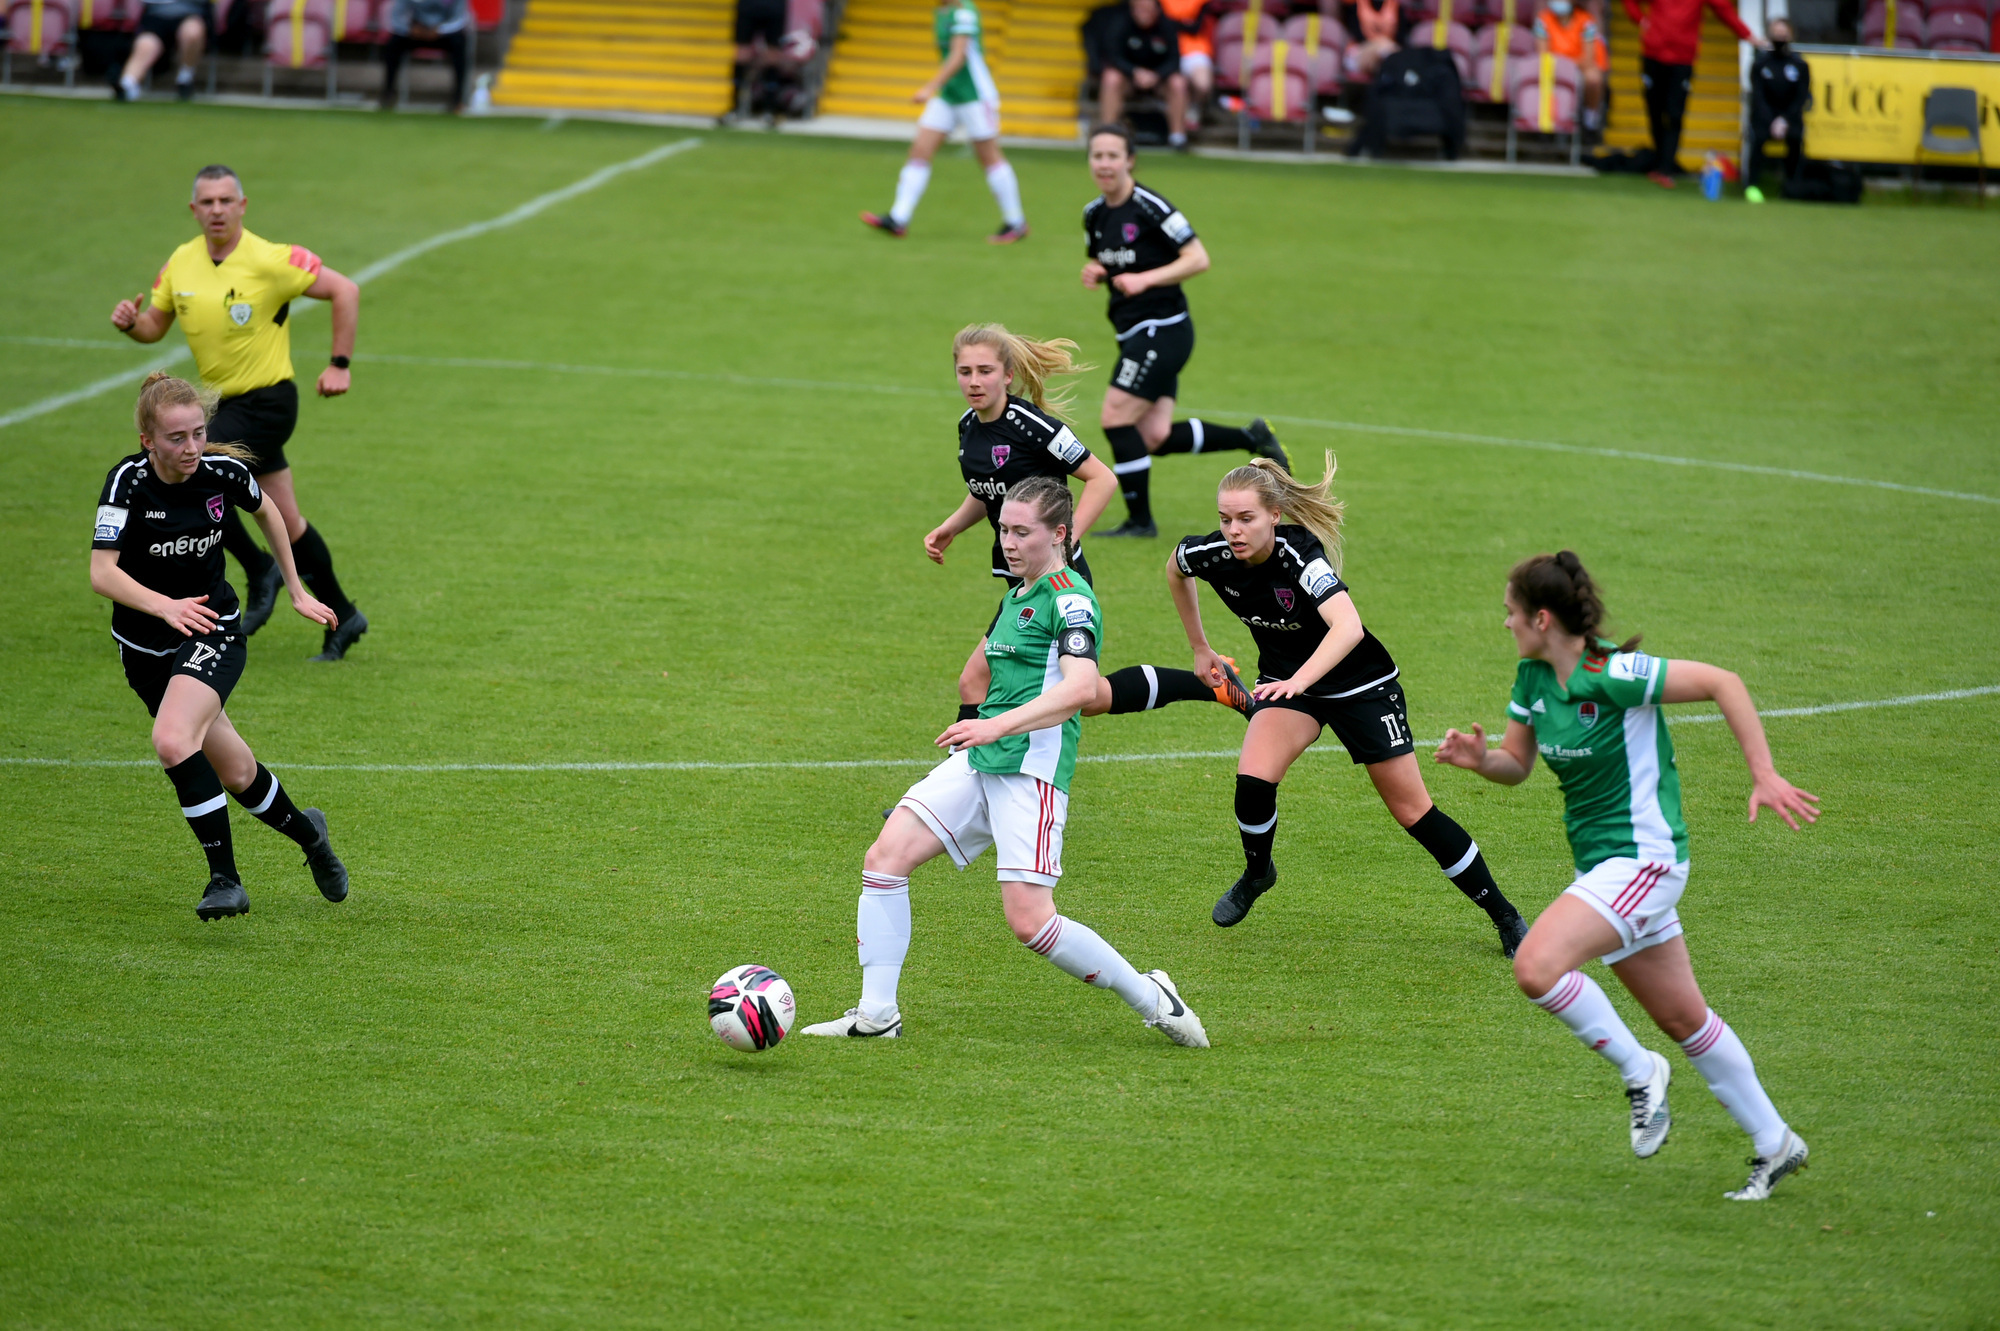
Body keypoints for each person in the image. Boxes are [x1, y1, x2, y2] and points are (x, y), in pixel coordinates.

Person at [1434, 551, 1817, 1200]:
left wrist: (1765, 773)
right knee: (1684, 1018)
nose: (1505, 624)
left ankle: (1641, 1071)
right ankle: (1775, 1140)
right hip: (1607, 869)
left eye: (1511, 613)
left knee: (1534, 966)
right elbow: (1517, 764)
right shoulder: (1532, 679)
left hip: (1646, 860)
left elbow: (1725, 681)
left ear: (1543, 617)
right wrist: (1481, 761)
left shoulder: (1614, 672)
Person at [803, 477, 1211, 1046]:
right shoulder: (1017, 593)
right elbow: (982, 676)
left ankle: (1152, 997)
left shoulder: (1070, 599)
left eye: (1022, 532)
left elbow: (1080, 689)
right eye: (1003, 530)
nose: (1009, 543)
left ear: (1060, 534)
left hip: (1032, 772)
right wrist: (983, 728)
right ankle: (877, 1014)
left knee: (1030, 922)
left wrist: (992, 724)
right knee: (885, 857)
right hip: (981, 760)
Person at [1170, 455, 1530, 953]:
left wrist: (1298, 680)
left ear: (1276, 515)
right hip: (1288, 685)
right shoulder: (1211, 553)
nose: (1233, 530)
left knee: (1413, 812)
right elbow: (1175, 567)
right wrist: (1199, 647)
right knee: (1253, 780)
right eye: (1225, 519)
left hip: (1360, 684)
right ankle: (1258, 874)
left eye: (1246, 519)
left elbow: (1348, 627)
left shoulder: (1301, 559)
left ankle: (1506, 916)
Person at [92, 373, 352, 921]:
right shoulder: (126, 484)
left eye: (198, 433)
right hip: (144, 647)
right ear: (147, 440)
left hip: (214, 630)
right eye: (176, 438)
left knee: (170, 739)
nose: (191, 449)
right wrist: (163, 605)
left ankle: (225, 881)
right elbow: (102, 573)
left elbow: (268, 511)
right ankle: (313, 840)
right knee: (234, 771)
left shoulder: (222, 472)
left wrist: (297, 590)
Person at [931, 324, 1255, 731]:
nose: (974, 382)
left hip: (1058, 579)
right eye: (965, 372)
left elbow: (1103, 478)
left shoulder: (1034, 426)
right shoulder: (968, 426)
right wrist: (951, 528)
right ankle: (1210, 683)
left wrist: (1064, 544)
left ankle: (949, 788)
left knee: (987, 683)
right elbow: (989, 491)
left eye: (985, 370)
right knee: (1067, 695)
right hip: (1021, 576)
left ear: (1008, 375)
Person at [111, 164, 369, 661]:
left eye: (226, 201)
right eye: (207, 202)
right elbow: (153, 328)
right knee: (287, 522)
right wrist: (131, 323)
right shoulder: (180, 263)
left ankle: (258, 569)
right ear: (194, 210)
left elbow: (346, 290)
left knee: (194, 468)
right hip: (221, 404)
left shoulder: (271, 259)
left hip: (268, 400)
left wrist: (339, 364)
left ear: (243, 205)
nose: (216, 210)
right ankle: (343, 614)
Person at [1081, 124, 1289, 540]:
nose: (1104, 164)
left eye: (1112, 155)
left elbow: (1198, 258)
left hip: (1163, 329)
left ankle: (1140, 522)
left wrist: (1145, 279)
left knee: (1115, 417)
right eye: (1097, 156)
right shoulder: (1094, 214)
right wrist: (1101, 272)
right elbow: (1115, 262)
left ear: (1130, 160)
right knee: (1154, 436)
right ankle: (1253, 437)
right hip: (1134, 332)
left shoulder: (1151, 206)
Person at [862, 0, 1029, 243]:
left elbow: (958, 55)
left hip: (975, 95)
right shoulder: (942, 12)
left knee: (989, 157)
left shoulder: (964, 13)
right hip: (950, 95)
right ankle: (899, 219)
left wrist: (929, 87)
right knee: (920, 150)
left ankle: (1016, 222)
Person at [1621, 0, 1757, 186]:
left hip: (1682, 59)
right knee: (1654, 110)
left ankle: (1666, 169)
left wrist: (1747, 35)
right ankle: (1662, 160)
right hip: (1653, 54)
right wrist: (1640, 19)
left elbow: (1723, 9)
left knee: (1675, 114)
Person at [1099, 0, 1192, 151]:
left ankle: (1178, 137)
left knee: (1178, 82)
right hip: (1129, 78)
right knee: (1111, 77)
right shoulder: (1121, 23)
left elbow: (1175, 60)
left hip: (1159, 79)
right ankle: (1108, 133)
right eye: (1139, 9)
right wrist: (1134, 71)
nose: (1143, 14)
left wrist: (1157, 75)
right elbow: (1112, 55)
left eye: (1147, 10)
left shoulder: (1167, 26)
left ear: (1156, 10)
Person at [1744, 18, 1809, 202]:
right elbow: (1758, 96)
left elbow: (1801, 97)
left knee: (1796, 138)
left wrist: (1784, 120)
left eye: (1784, 34)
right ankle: (1752, 185)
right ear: (1770, 36)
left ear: (1790, 36)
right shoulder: (1760, 64)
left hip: (1789, 117)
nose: (1780, 37)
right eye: (1776, 33)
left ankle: (1792, 186)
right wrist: (1771, 120)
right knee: (1758, 138)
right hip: (1765, 117)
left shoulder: (1800, 65)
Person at [381, 0, 474, 112]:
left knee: (459, 43)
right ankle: (388, 94)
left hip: (444, 34)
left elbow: (460, 19)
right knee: (394, 43)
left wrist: (440, 30)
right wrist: (410, 30)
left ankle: (457, 99)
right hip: (416, 32)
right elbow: (395, 17)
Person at [1534, 0, 1608, 135]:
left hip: (1578, 67)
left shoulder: (1587, 21)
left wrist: (1569, 67)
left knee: (1594, 78)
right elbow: (1543, 55)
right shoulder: (1542, 20)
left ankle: (1590, 119)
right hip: (1552, 67)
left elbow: (1588, 57)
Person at [116, 0, 209, 102]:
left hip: (190, 14)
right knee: (145, 44)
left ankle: (185, 78)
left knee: (192, 32)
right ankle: (128, 84)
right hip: (156, 17)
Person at [1158, 0, 1215, 138]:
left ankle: (1192, 109)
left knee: (1203, 84)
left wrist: (1172, 23)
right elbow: (1157, 22)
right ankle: (1169, 110)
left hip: (1193, 49)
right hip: (1164, 47)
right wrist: (1183, 23)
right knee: (1172, 83)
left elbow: (1195, 27)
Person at [1342, 0, 1401, 83]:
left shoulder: (1396, 5)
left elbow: (1400, 36)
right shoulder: (1355, 5)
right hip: (1360, 51)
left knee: (1389, 50)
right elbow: (1351, 33)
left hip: (1388, 52)